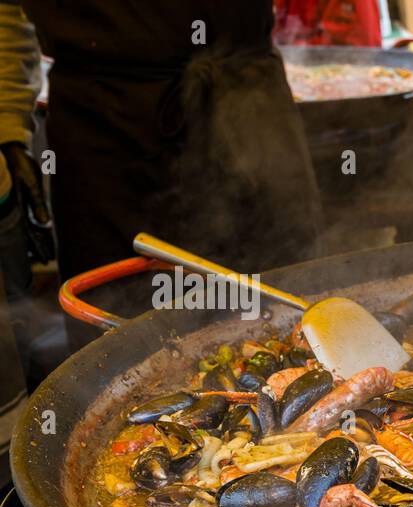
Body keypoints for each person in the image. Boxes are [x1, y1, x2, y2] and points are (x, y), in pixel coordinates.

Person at [0, 0, 324, 351]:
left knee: (288, 317)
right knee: (120, 344)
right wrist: (7, 122)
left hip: (250, 104)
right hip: (105, 128)